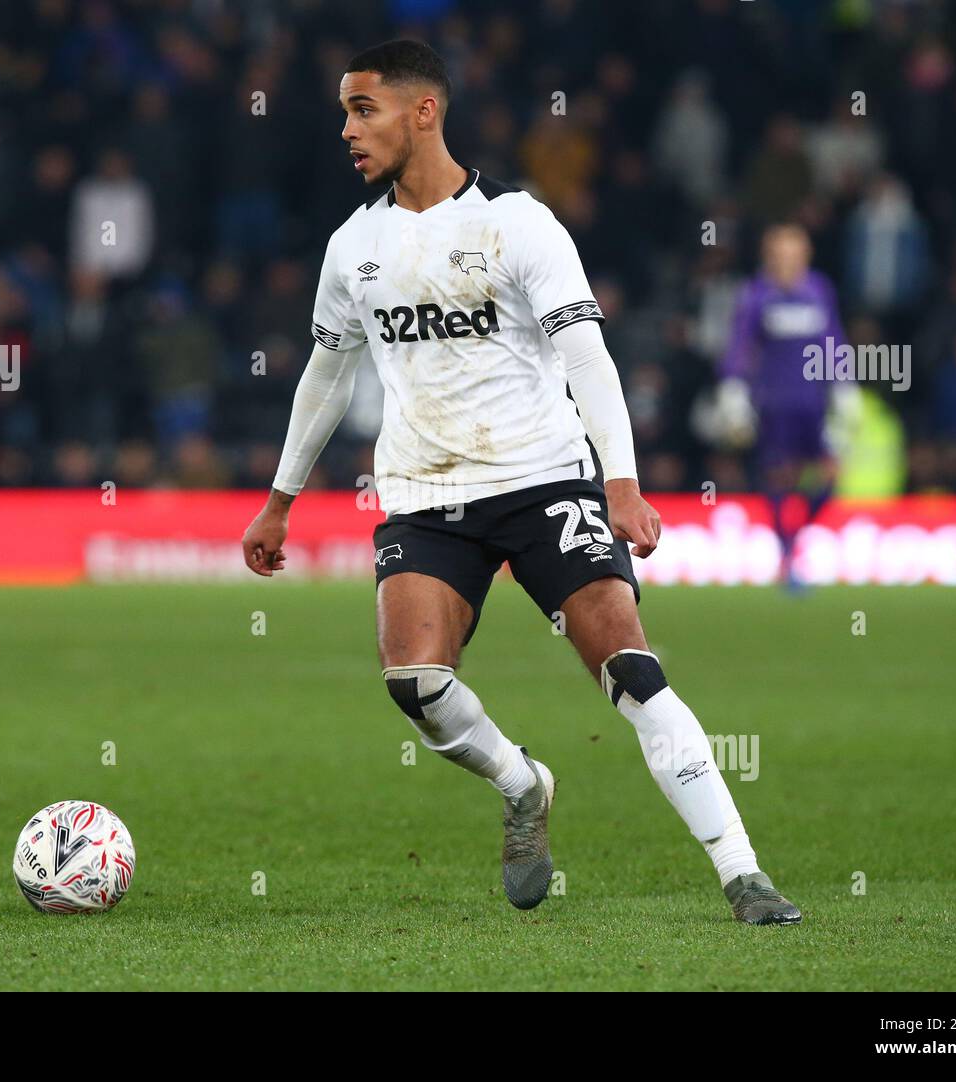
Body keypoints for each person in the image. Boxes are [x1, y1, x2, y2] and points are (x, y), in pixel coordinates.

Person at [242, 40, 800, 925]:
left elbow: (587, 353)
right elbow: (326, 372)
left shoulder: (520, 223)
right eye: (346, 111)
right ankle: (522, 780)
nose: (348, 129)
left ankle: (744, 874)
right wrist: (280, 500)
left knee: (630, 666)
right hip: (425, 493)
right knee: (413, 682)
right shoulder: (354, 246)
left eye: (364, 108)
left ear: (424, 111)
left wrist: (620, 482)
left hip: (545, 480)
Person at [719, 224, 852, 585]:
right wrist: (733, 388)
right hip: (775, 404)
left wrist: (844, 386)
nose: (787, 263)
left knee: (829, 475)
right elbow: (740, 346)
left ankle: (795, 539)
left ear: (805, 256)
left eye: (793, 255)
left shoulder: (819, 291)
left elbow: (833, 341)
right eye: (780, 255)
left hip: (813, 404)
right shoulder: (756, 295)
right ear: (769, 257)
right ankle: (786, 554)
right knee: (780, 477)